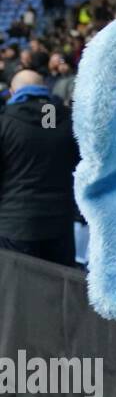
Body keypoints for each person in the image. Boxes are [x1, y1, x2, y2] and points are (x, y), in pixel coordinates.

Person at [0, 70, 80, 267]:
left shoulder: (6, 120)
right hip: (59, 223)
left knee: (18, 292)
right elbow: (45, 129)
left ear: (12, 92)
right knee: (55, 293)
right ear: (44, 89)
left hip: (15, 225)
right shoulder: (57, 117)